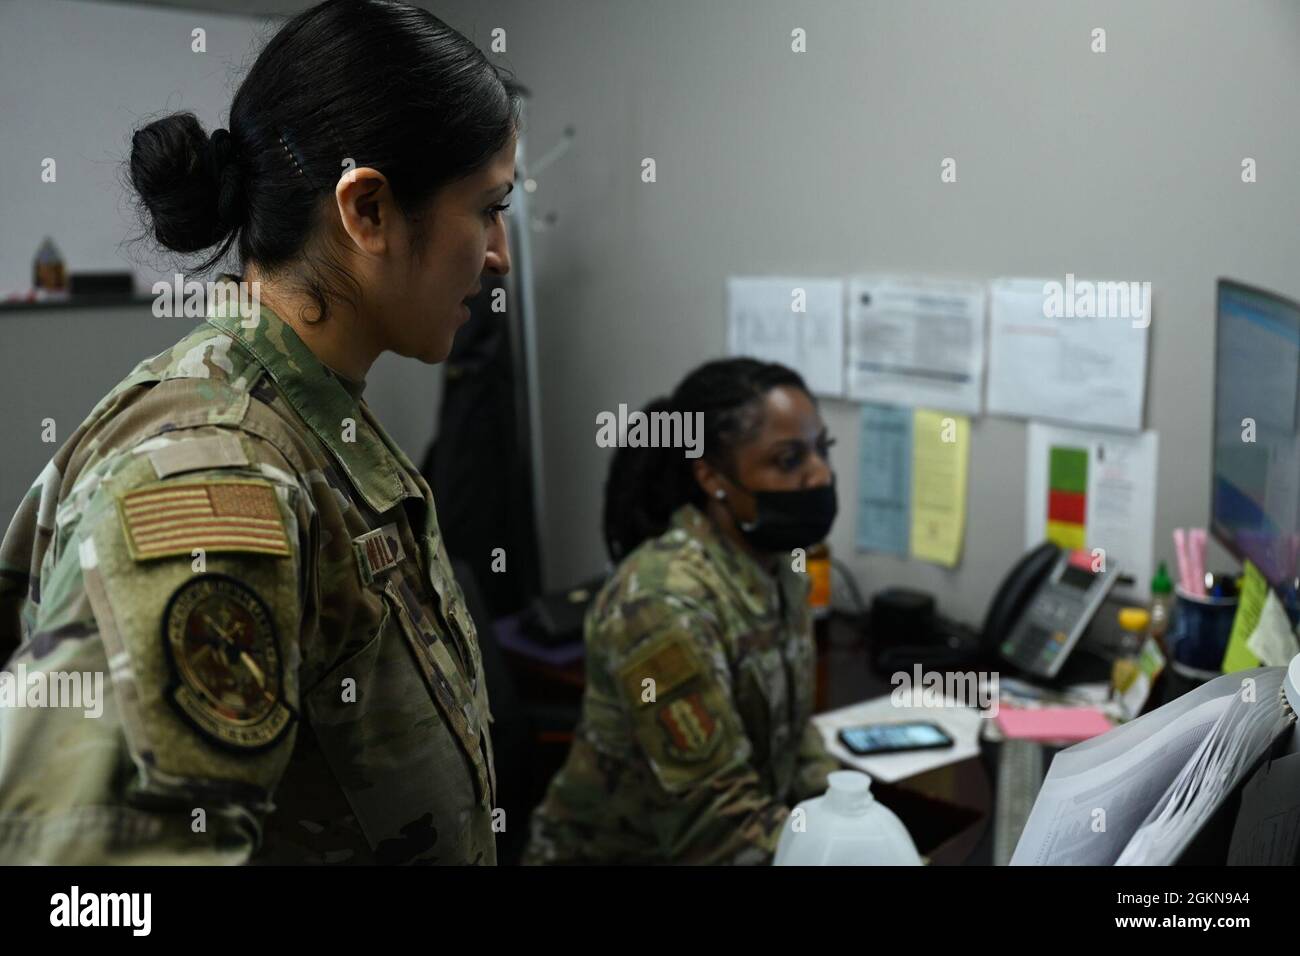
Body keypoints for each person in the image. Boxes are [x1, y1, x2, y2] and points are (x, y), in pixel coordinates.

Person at [0, 0, 518, 864]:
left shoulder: (316, 419)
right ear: (370, 210)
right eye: (489, 207)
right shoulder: (218, 476)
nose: (499, 251)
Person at [523, 358, 842, 864]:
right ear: (712, 477)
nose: (820, 474)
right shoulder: (661, 602)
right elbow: (713, 826)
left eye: (822, 450)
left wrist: (851, 817)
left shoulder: (780, 568)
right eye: (789, 460)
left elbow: (793, 735)